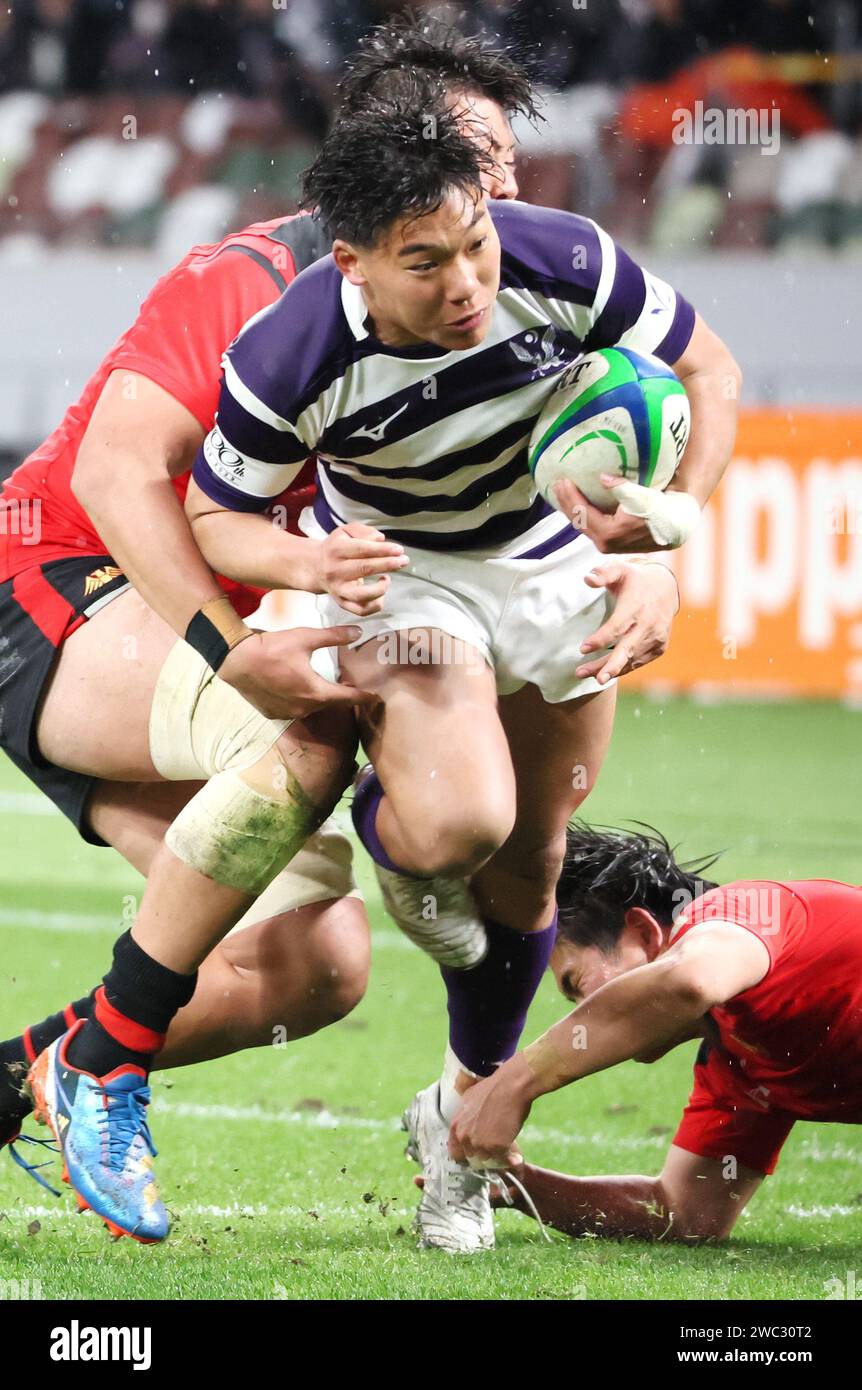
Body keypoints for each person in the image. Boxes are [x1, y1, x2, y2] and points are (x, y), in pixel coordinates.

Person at [2, 20, 674, 1243]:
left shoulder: (498, 279)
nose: (502, 186)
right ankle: (104, 1067)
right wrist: (225, 644)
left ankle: (29, 1073)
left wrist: (651, 547)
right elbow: (114, 475)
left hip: (244, 595)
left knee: (314, 974)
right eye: (473, 152)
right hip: (62, 592)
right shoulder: (257, 283)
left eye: (505, 162)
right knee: (333, 700)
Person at [184, 96, 741, 1251]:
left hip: (549, 562)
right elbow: (213, 513)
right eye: (424, 263)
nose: (468, 285)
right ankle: (396, 817)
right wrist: (303, 557)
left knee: (533, 863)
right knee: (459, 826)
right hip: (406, 575)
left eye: (477, 243)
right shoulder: (290, 350)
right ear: (353, 261)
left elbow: (710, 368)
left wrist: (672, 543)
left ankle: (458, 1138)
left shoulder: (566, 258)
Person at [448, 823, 862, 1243]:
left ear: (644, 933)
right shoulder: (737, 1063)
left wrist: (515, 1083)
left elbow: (689, 980)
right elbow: (685, 1214)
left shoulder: (739, 911)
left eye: (578, 984)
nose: (586, 1015)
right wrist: (520, 1185)